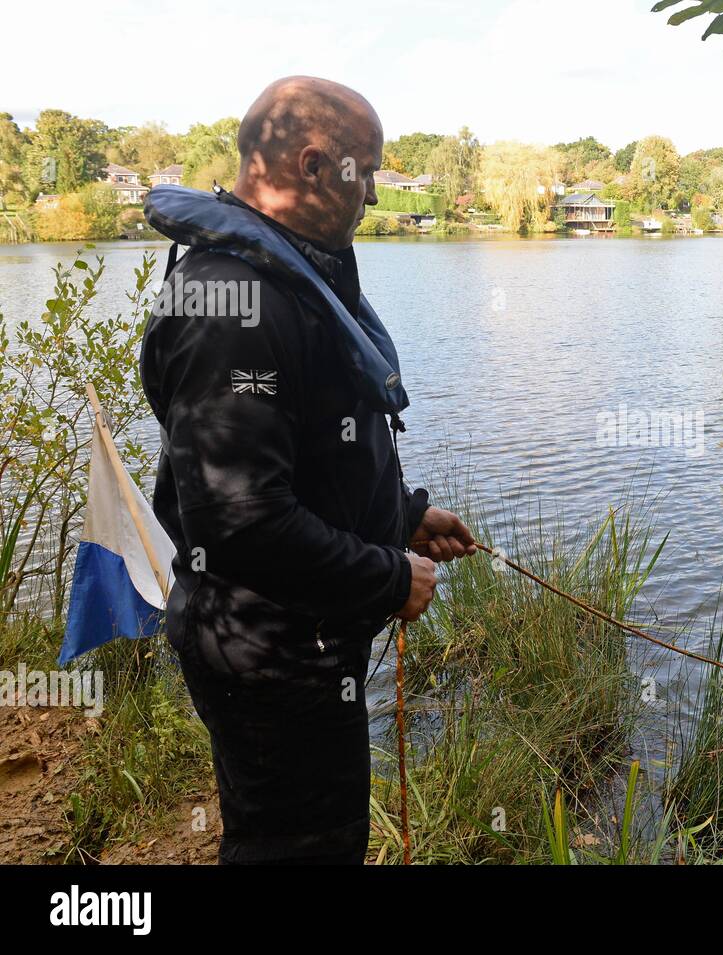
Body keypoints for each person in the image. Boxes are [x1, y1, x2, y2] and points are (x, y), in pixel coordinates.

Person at [139, 76, 474, 864]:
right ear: (316, 165)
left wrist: (400, 518)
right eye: (371, 172)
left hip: (308, 634)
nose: (375, 197)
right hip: (268, 649)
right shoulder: (230, 305)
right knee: (295, 849)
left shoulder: (289, 276)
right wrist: (390, 577)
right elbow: (242, 520)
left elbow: (313, 450)